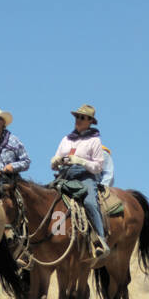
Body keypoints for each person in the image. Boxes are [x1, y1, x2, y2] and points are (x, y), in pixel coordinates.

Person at [52, 104, 110, 258]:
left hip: (85, 177)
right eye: (77, 116)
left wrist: (82, 162)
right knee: (47, 200)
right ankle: (51, 240)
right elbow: (57, 157)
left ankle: (100, 240)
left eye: (83, 117)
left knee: (90, 202)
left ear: (90, 121)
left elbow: (98, 167)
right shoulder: (66, 139)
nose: (78, 120)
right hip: (63, 176)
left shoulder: (94, 141)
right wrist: (55, 161)